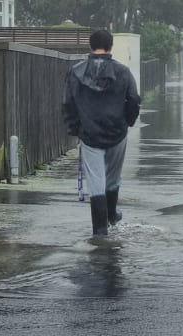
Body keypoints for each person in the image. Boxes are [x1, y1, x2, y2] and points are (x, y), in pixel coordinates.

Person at [63, 29, 141, 236]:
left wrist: (75, 128)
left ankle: (99, 229)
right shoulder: (123, 72)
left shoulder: (76, 72)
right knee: (113, 177)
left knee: (96, 180)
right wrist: (128, 121)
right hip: (117, 132)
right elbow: (133, 99)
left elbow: (68, 103)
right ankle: (112, 215)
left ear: (90, 46)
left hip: (89, 134)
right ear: (111, 47)